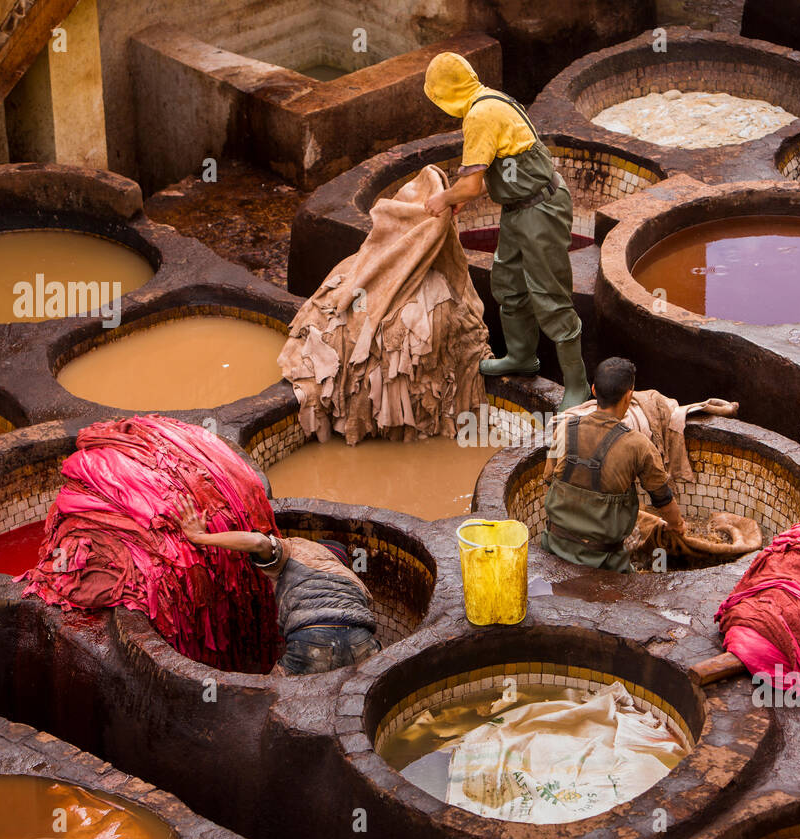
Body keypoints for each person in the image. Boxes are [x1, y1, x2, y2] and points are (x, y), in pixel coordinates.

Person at [419, 51, 590, 413]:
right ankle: (522, 356)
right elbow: (481, 180)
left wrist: (445, 198)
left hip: (540, 208)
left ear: (443, 94)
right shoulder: (488, 98)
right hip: (517, 208)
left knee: (549, 294)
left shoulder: (480, 114)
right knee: (509, 281)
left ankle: (577, 385)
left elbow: (467, 187)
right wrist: (465, 193)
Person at [173, 498, 380, 675]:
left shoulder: (296, 549)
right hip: (362, 641)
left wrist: (199, 537)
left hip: (311, 638)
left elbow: (257, 542)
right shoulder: (353, 579)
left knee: (271, 699)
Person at [542, 357, 686, 572]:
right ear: (629, 396)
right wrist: (678, 527)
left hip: (553, 544)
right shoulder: (638, 445)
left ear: (593, 390)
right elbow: (662, 498)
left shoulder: (564, 429)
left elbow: (547, 479)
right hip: (604, 560)